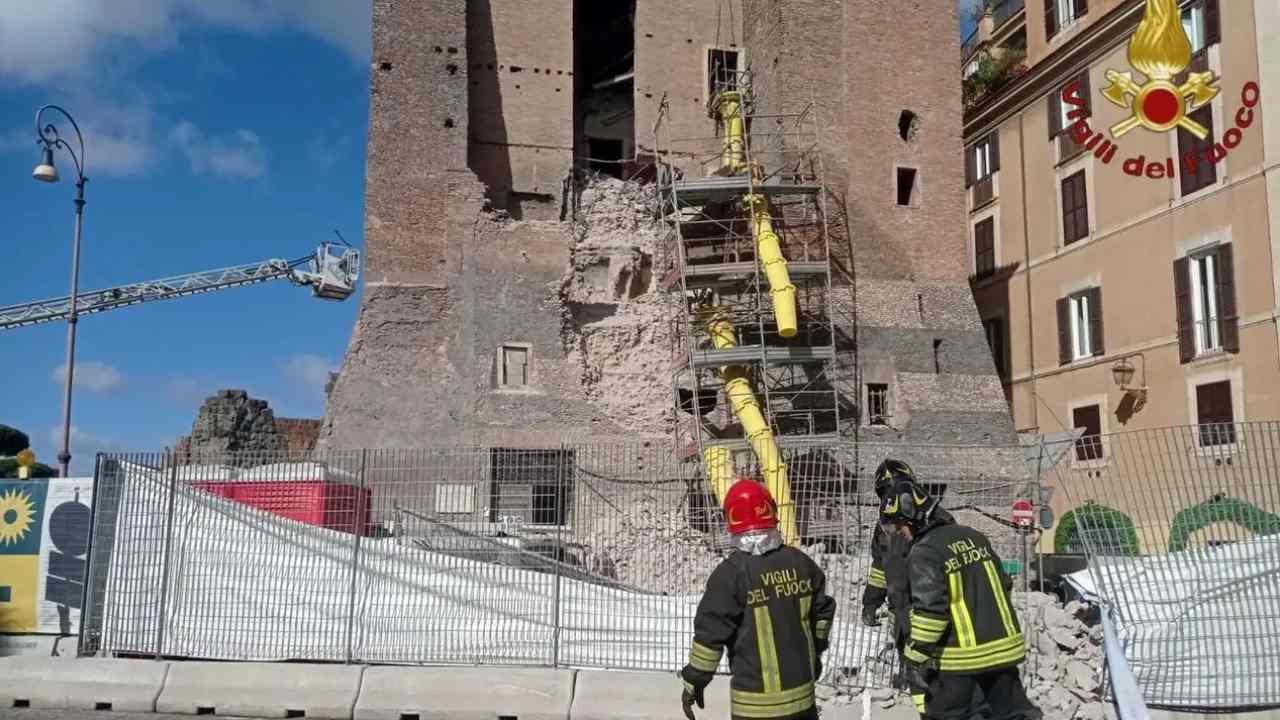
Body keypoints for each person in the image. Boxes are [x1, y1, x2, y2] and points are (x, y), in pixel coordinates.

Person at [879, 479, 1040, 720]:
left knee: (945, 714)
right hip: (1004, 651)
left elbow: (931, 614)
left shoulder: (925, 552)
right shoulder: (973, 536)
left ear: (914, 518)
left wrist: (914, 659)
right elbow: (1003, 584)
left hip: (961, 658)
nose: (900, 533)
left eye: (900, 525)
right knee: (1010, 714)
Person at [681, 478, 838, 720]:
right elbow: (823, 613)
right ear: (771, 511)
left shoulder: (730, 575)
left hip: (755, 707)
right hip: (803, 701)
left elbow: (709, 637)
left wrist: (694, 681)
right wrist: (815, 651)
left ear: (732, 520)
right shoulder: (801, 563)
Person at [860, 459, 955, 689]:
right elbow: (880, 567)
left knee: (939, 658)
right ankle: (912, 686)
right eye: (886, 492)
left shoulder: (934, 516)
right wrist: (871, 602)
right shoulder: (884, 527)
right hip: (903, 607)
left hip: (929, 603)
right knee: (910, 655)